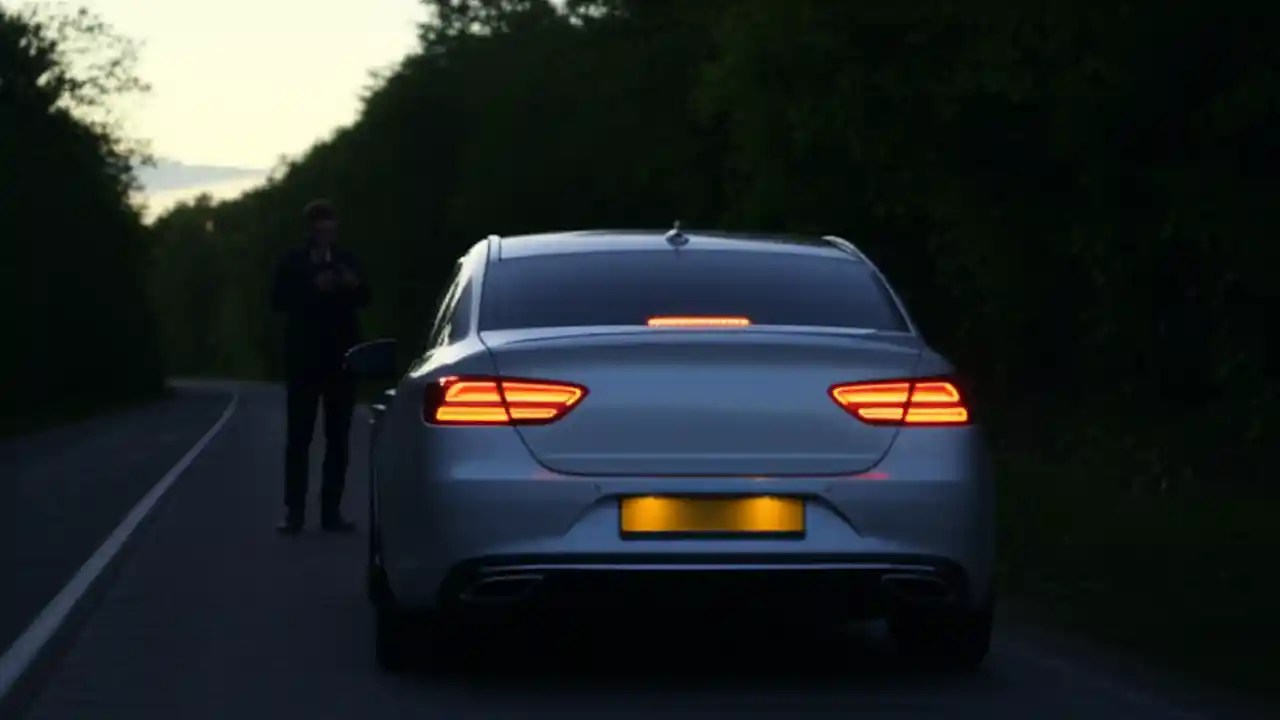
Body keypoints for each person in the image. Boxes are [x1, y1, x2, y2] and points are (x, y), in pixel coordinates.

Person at [271, 200, 370, 534]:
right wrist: (311, 288)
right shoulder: (293, 262)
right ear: (311, 229)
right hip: (303, 361)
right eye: (321, 226)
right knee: (299, 438)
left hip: (341, 361)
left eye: (331, 225)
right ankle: (294, 512)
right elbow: (277, 300)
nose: (327, 231)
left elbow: (366, 296)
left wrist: (350, 284)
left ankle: (332, 511)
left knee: (338, 439)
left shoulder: (347, 260)